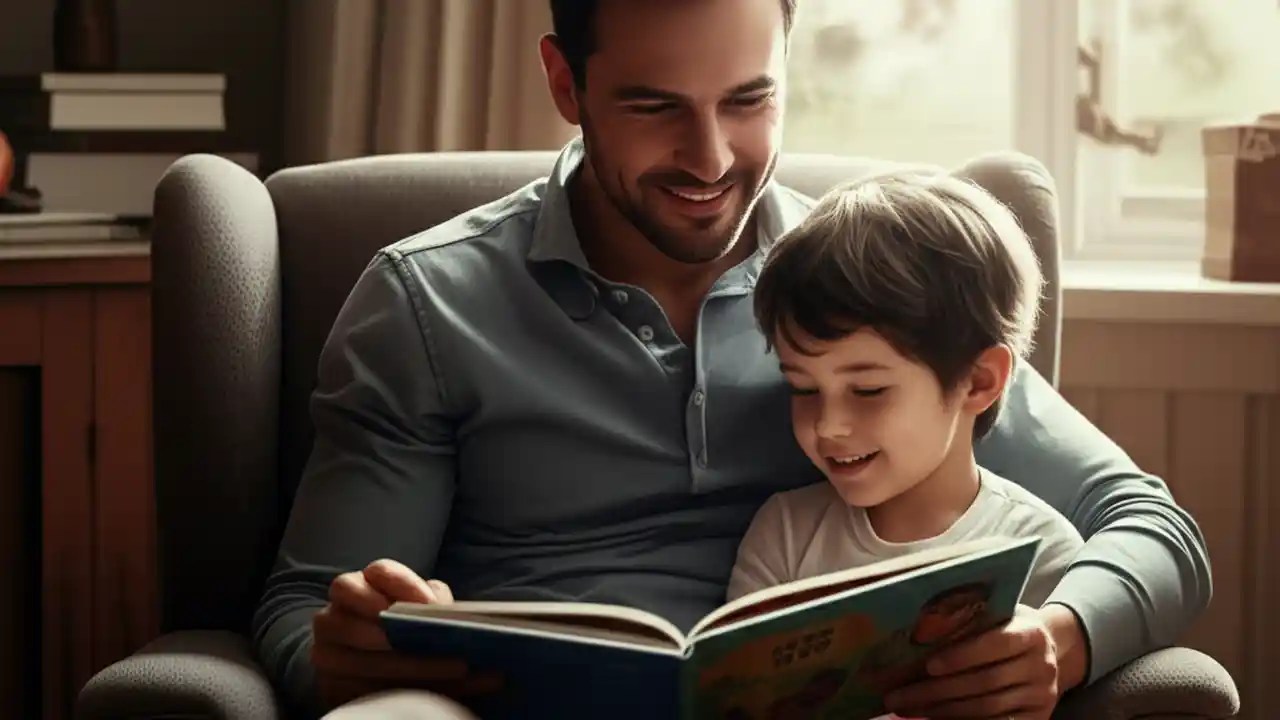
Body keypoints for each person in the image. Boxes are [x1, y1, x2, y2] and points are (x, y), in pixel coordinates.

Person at [249, 0, 1212, 718]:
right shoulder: (426, 304)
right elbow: (300, 607)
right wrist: (346, 648)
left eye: (750, 100)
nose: (711, 160)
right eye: (655, 107)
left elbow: (1150, 526)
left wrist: (1064, 636)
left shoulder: (871, 287)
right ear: (564, 83)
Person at [726, 173, 1085, 718]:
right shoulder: (785, 536)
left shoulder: (1042, 552)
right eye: (803, 388)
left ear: (979, 381)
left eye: (868, 390)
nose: (829, 427)